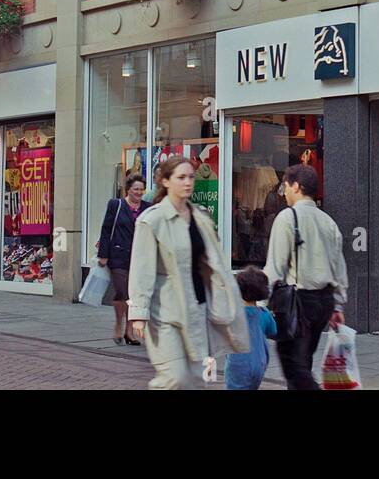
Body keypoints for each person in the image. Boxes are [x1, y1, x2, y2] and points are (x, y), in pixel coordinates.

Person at [128, 155, 248, 390]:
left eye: (191, 177)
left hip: (198, 308)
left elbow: (213, 262)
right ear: (165, 181)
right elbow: (142, 269)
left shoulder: (200, 216)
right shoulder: (152, 220)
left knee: (197, 379)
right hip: (165, 312)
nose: (188, 182)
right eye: (181, 177)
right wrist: (139, 312)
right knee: (174, 378)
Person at [264, 163, 348, 391]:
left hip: (298, 302)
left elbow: (275, 267)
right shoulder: (328, 222)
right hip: (324, 302)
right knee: (304, 359)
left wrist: (260, 304)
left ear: (297, 186)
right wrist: (338, 305)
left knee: (293, 364)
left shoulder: (287, 217)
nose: (285, 191)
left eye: (286, 185)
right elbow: (339, 268)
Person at [96, 173, 149, 345]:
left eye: (141, 189)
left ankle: (129, 330)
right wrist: (103, 255)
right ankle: (119, 324)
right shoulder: (116, 205)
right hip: (118, 255)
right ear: (128, 190)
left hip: (139, 258)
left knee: (134, 295)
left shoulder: (148, 208)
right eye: (136, 189)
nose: (139, 192)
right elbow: (106, 229)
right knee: (122, 291)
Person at [225, 266, 276, 390]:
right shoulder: (264, 314)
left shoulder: (233, 314)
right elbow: (273, 331)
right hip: (259, 363)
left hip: (237, 363)